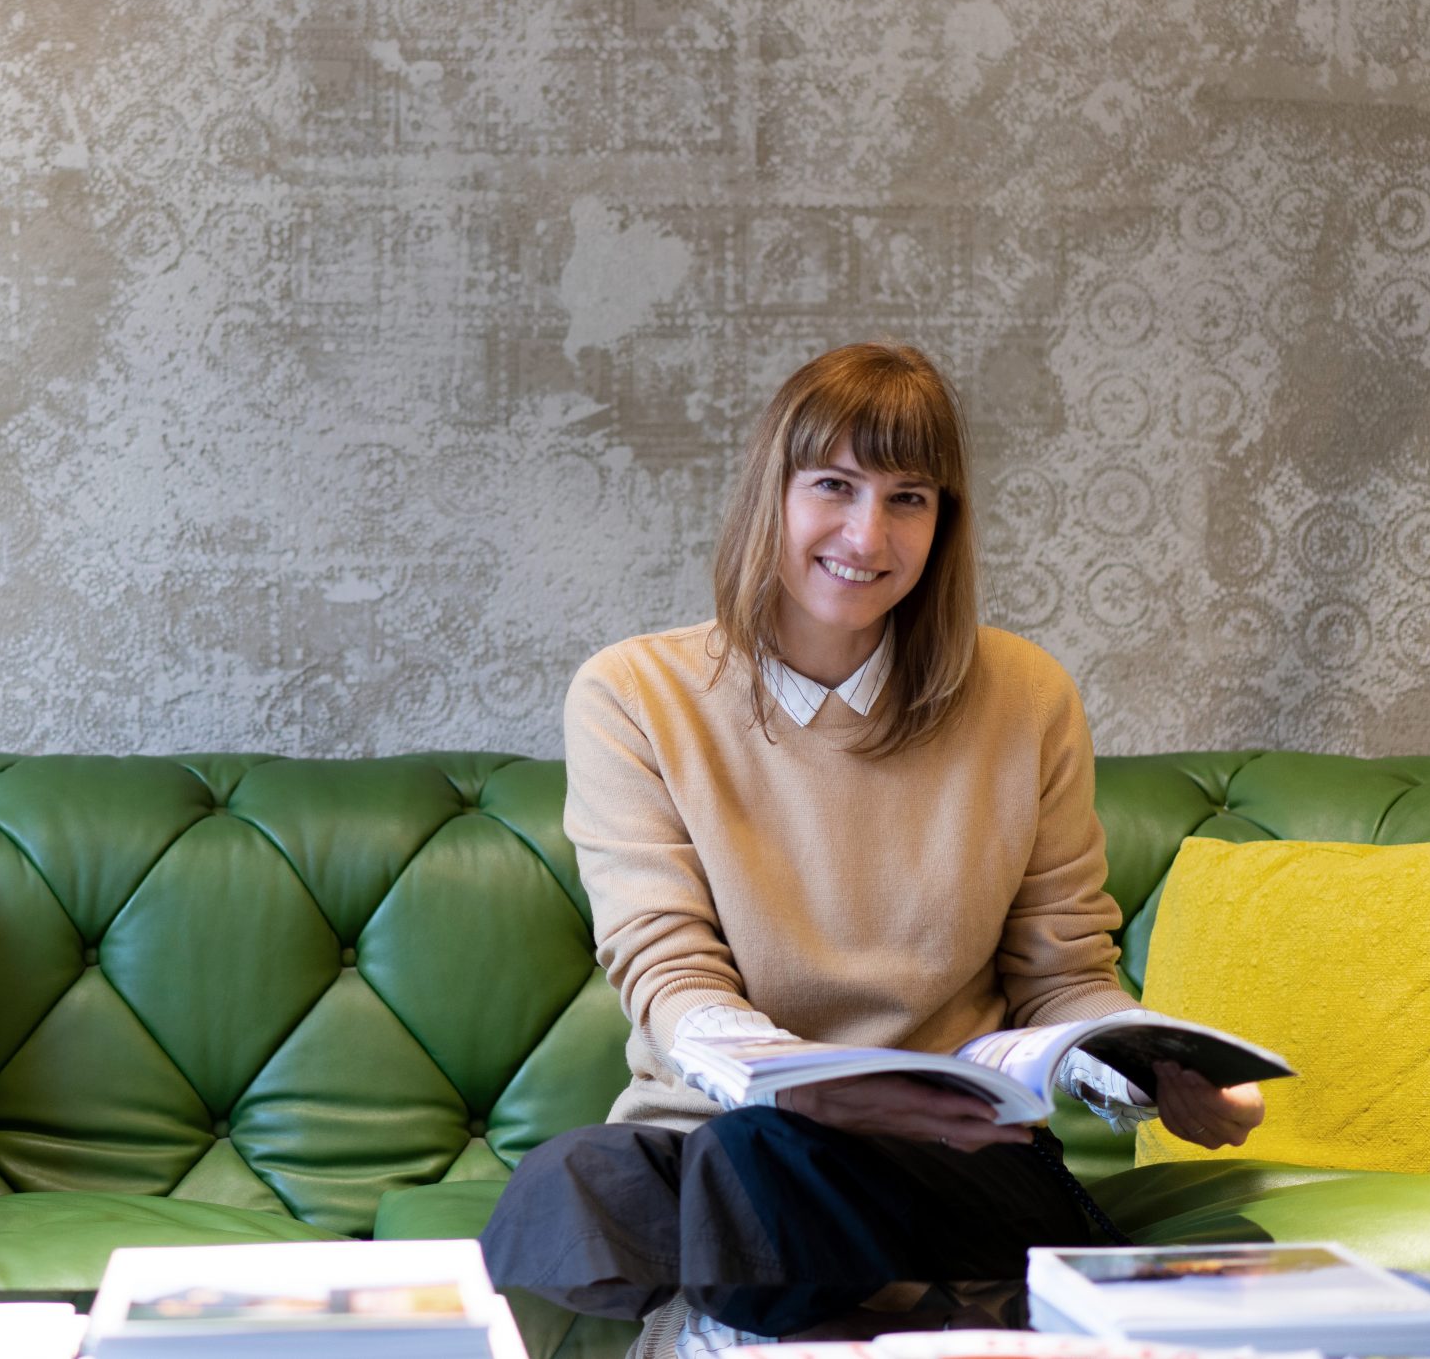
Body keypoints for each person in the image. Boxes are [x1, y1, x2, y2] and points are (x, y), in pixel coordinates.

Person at [478, 341, 1265, 1352]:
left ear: (944, 524)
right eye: (834, 487)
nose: (866, 533)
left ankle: (737, 1316)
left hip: (948, 1156)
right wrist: (804, 1083)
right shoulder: (633, 693)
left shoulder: (1026, 696)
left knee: (752, 1171)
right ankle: (846, 1306)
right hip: (719, 1127)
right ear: (774, 493)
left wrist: (1147, 1070)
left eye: (908, 498)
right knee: (575, 1180)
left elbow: (1063, 972)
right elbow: (663, 964)